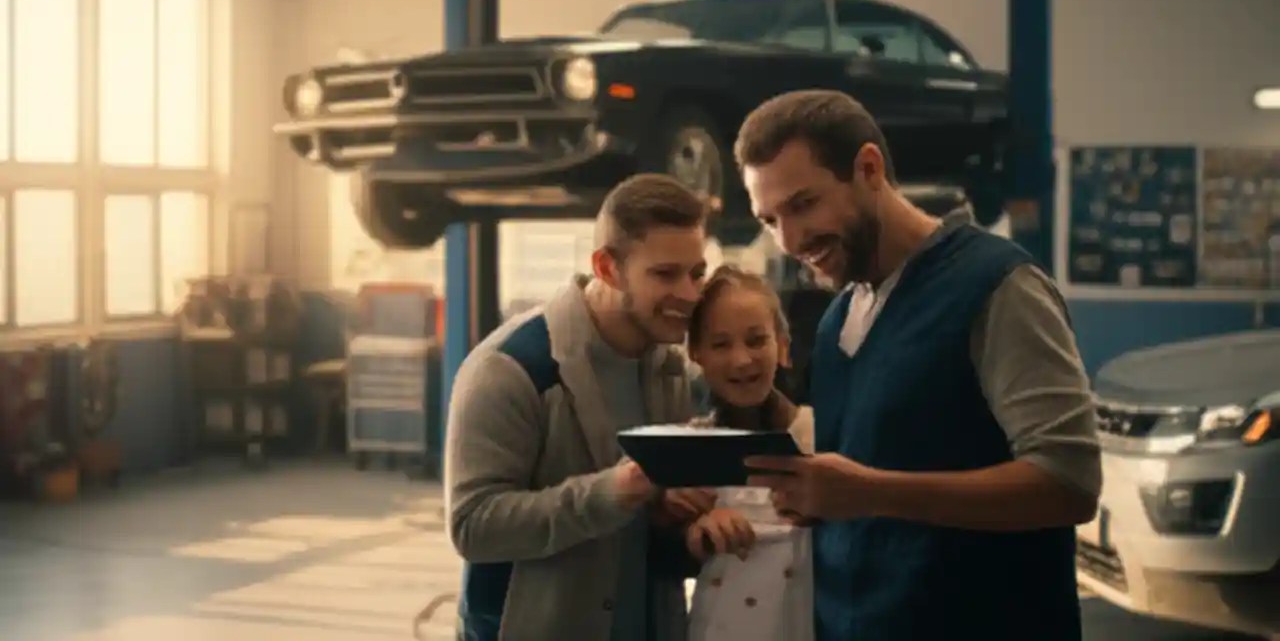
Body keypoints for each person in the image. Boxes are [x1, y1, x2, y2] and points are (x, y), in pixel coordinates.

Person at [734, 90, 1102, 640]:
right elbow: (869, 485)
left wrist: (873, 492)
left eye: (804, 204)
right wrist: (814, 500)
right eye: (769, 220)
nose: (789, 240)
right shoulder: (837, 320)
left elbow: (1068, 482)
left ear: (868, 168)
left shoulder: (997, 286)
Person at [443, 173, 717, 641]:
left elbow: (644, 522)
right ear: (607, 268)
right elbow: (473, 526)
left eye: (696, 273)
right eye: (665, 274)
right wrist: (612, 491)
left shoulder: (668, 367)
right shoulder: (510, 369)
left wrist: (669, 508)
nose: (691, 295)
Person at [681, 265, 816, 641]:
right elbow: (669, 540)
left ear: (783, 346)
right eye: (721, 344)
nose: (741, 360)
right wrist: (698, 530)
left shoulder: (822, 434)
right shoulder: (687, 445)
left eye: (756, 340)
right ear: (697, 354)